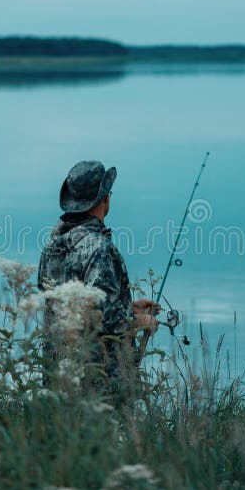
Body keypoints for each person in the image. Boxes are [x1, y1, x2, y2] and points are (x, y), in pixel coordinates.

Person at [38, 160, 159, 397]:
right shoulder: (100, 248)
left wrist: (129, 306)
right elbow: (100, 319)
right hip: (98, 380)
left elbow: (68, 305)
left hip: (57, 371)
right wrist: (140, 321)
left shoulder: (52, 247)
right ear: (105, 199)